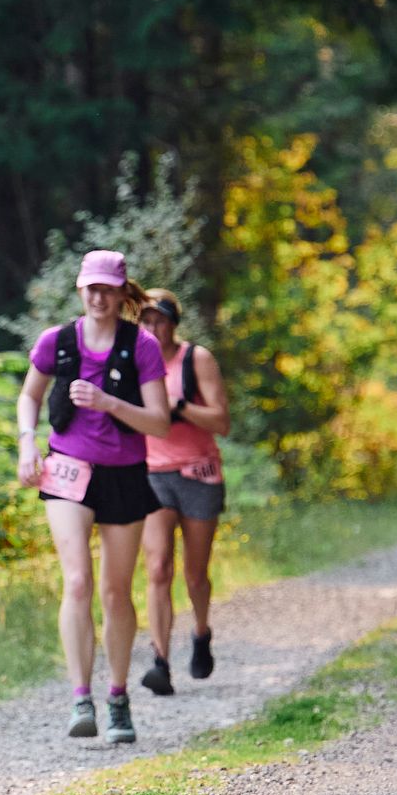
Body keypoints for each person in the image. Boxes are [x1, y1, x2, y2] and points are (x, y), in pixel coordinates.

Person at [16, 250, 172, 743]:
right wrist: (26, 441)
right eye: (91, 288)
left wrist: (107, 402)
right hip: (66, 470)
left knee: (114, 591)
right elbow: (29, 395)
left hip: (124, 474)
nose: (98, 296)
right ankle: (80, 698)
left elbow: (160, 422)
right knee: (78, 581)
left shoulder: (141, 345)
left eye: (107, 288)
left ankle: (118, 697)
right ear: (80, 290)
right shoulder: (57, 342)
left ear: (123, 293)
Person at [137, 288, 230, 696]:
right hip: (152, 474)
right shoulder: (136, 361)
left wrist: (179, 406)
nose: (152, 328)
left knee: (195, 574)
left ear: (173, 323)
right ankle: (160, 660)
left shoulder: (197, 359)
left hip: (198, 473)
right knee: (158, 568)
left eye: (158, 320)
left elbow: (222, 421)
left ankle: (201, 631)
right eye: (145, 320)